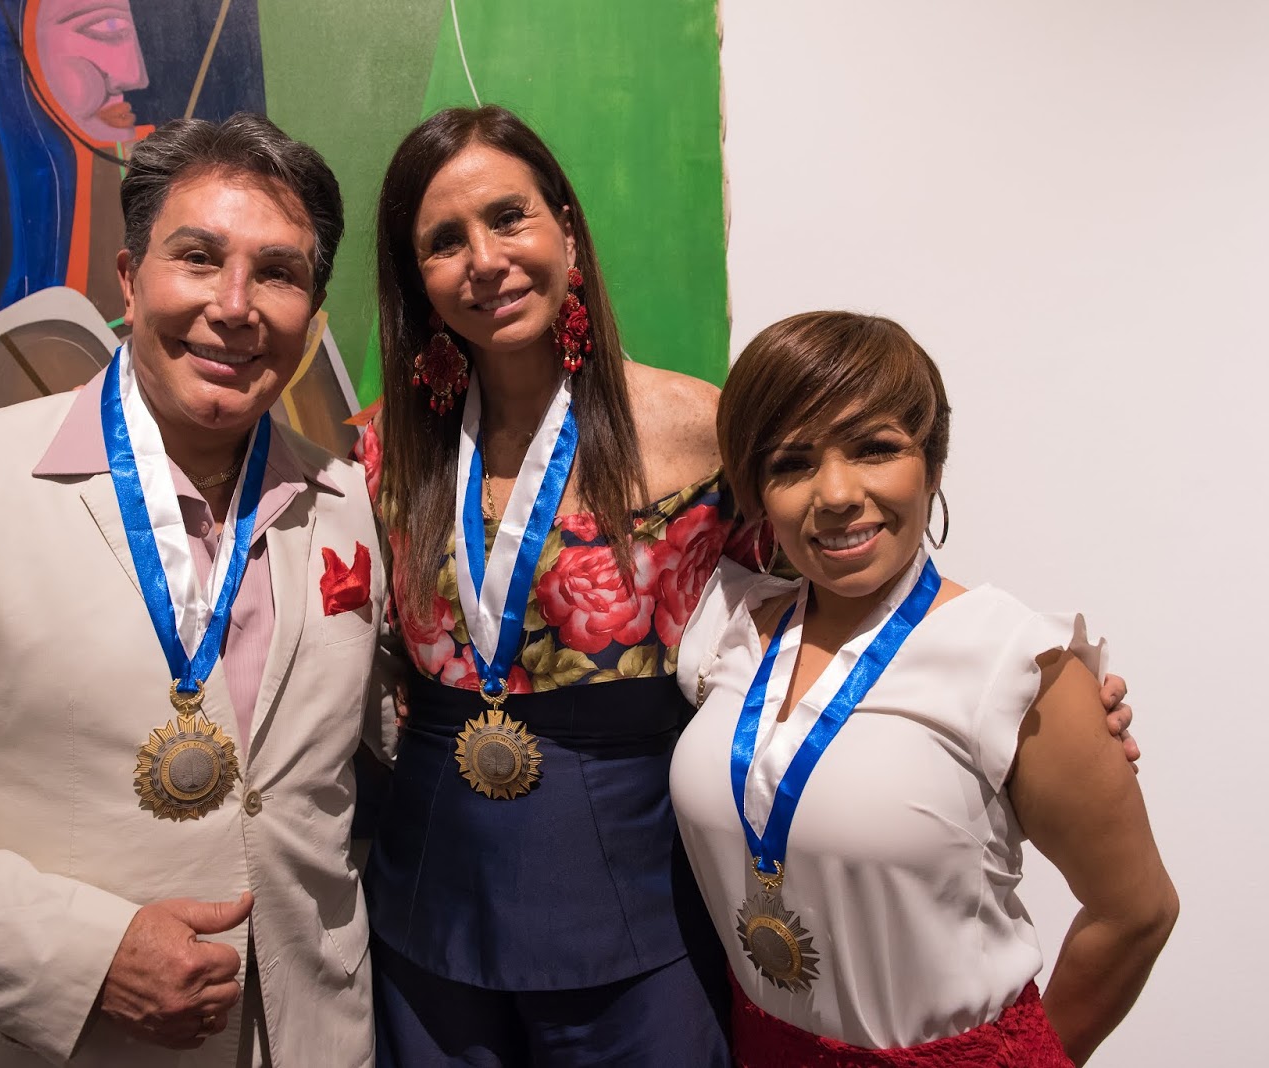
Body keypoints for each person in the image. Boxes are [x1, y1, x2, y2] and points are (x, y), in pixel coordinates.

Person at [353, 106, 1141, 1068]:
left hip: (637, 892)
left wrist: (1039, 706)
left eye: (509, 217)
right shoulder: (379, 449)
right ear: (415, 277)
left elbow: (846, 593)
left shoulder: (701, 429)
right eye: (444, 241)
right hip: (433, 884)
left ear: (566, 228)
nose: (485, 259)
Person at [0, 114, 388, 1068]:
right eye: (198, 258)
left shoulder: (346, 500)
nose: (234, 305)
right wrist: (88, 959)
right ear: (130, 279)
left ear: (311, 309)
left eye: (277, 272)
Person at [672, 311, 1178, 1066]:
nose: (836, 492)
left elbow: (1136, 913)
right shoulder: (725, 630)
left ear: (932, 463)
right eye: (793, 463)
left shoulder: (1014, 662)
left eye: (875, 449)